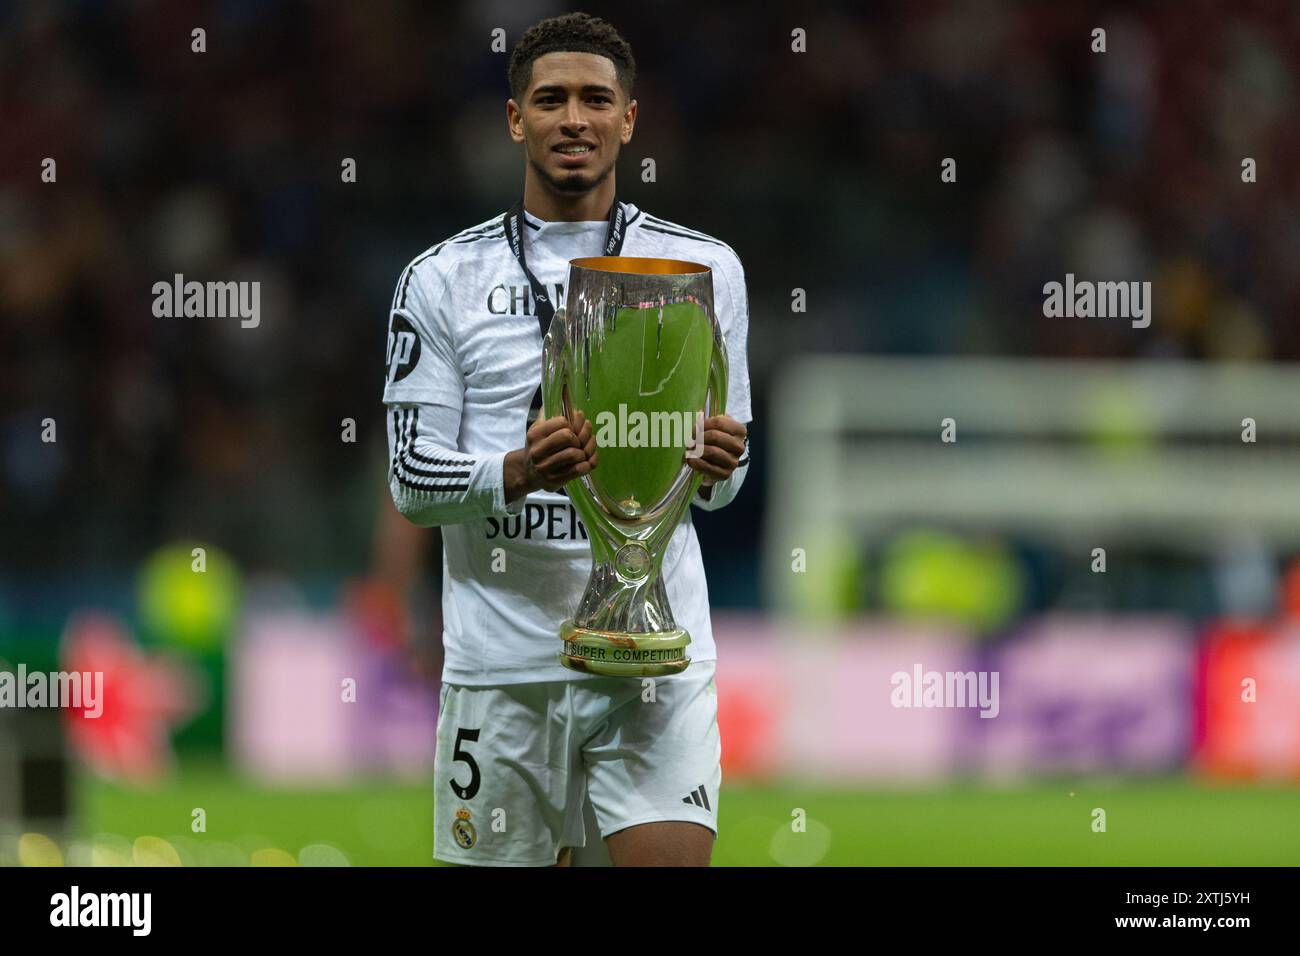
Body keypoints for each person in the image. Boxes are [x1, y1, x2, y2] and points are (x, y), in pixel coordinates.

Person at [383, 12, 751, 867]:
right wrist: (516, 470)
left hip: (652, 662)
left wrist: (722, 468)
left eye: (596, 99)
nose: (574, 119)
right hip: (504, 668)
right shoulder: (441, 279)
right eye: (550, 100)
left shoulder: (703, 269)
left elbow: (721, 483)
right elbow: (409, 479)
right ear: (516, 120)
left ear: (630, 118)